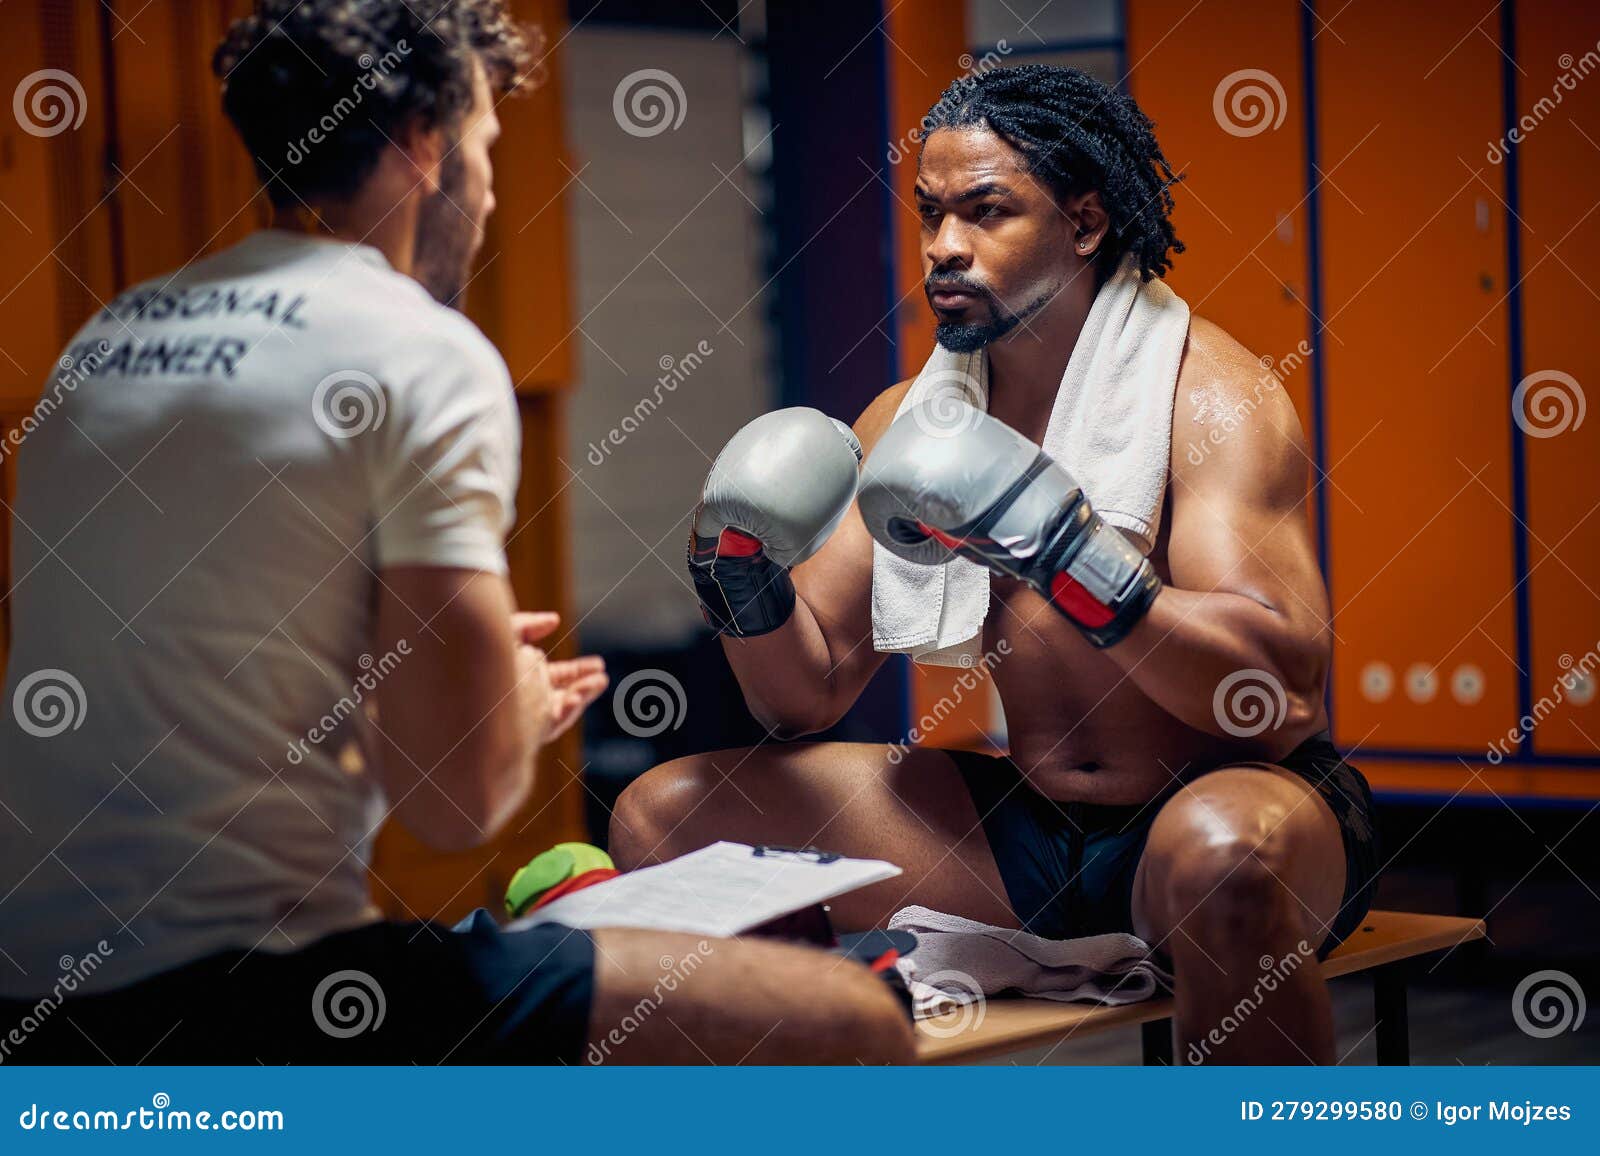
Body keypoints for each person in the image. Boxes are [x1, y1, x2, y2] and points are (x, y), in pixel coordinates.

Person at [0, 0, 912, 1066]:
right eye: (484, 145)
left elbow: (202, 682)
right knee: (852, 1018)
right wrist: (506, 707)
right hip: (242, 995)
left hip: (32, 990)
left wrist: (412, 678)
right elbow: (455, 805)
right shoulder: (420, 352)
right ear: (424, 144)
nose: (486, 194)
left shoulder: (106, 340)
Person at [615, 64, 1380, 1065]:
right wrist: (736, 570)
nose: (944, 245)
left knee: (1220, 860)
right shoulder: (911, 423)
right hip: (1031, 835)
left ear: (1085, 223)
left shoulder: (1208, 400)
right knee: (663, 815)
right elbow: (802, 696)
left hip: (1234, 804)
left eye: (985, 212)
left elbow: (1276, 694)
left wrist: (1064, 554)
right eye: (930, 213)